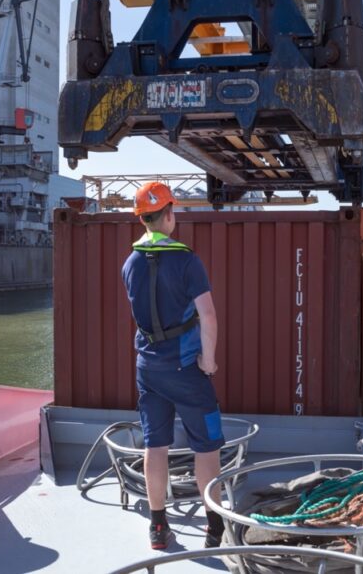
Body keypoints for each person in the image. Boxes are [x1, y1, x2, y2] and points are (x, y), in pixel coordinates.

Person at [121, 181, 225, 550]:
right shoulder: (187, 260)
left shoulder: (130, 263)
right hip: (186, 369)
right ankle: (215, 528)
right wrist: (208, 361)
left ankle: (159, 528)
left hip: (148, 368)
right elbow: (208, 317)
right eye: (173, 211)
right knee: (206, 447)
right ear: (167, 215)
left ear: (141, 220)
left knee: (156, 446)